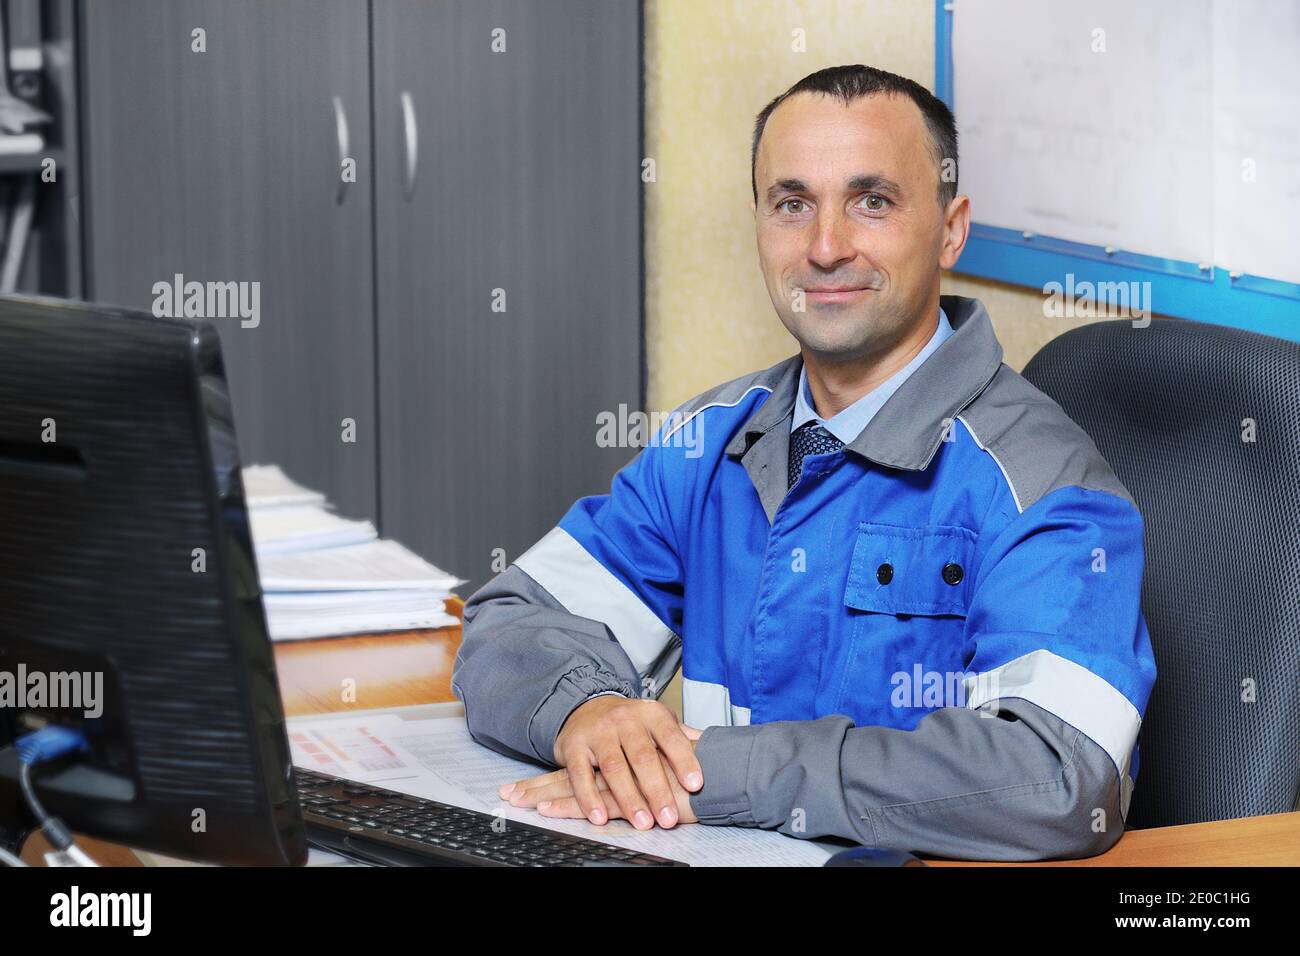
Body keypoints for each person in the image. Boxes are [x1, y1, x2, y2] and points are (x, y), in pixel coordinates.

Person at [452, 64, 1157, 860]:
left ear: (951, 228)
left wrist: (724, 772)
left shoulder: (1043, 482)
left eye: (872, 201)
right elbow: (509, 623)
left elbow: (1054, 777)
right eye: (792, 205)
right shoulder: (708, 442)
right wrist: (589, 715)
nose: (825, 248)